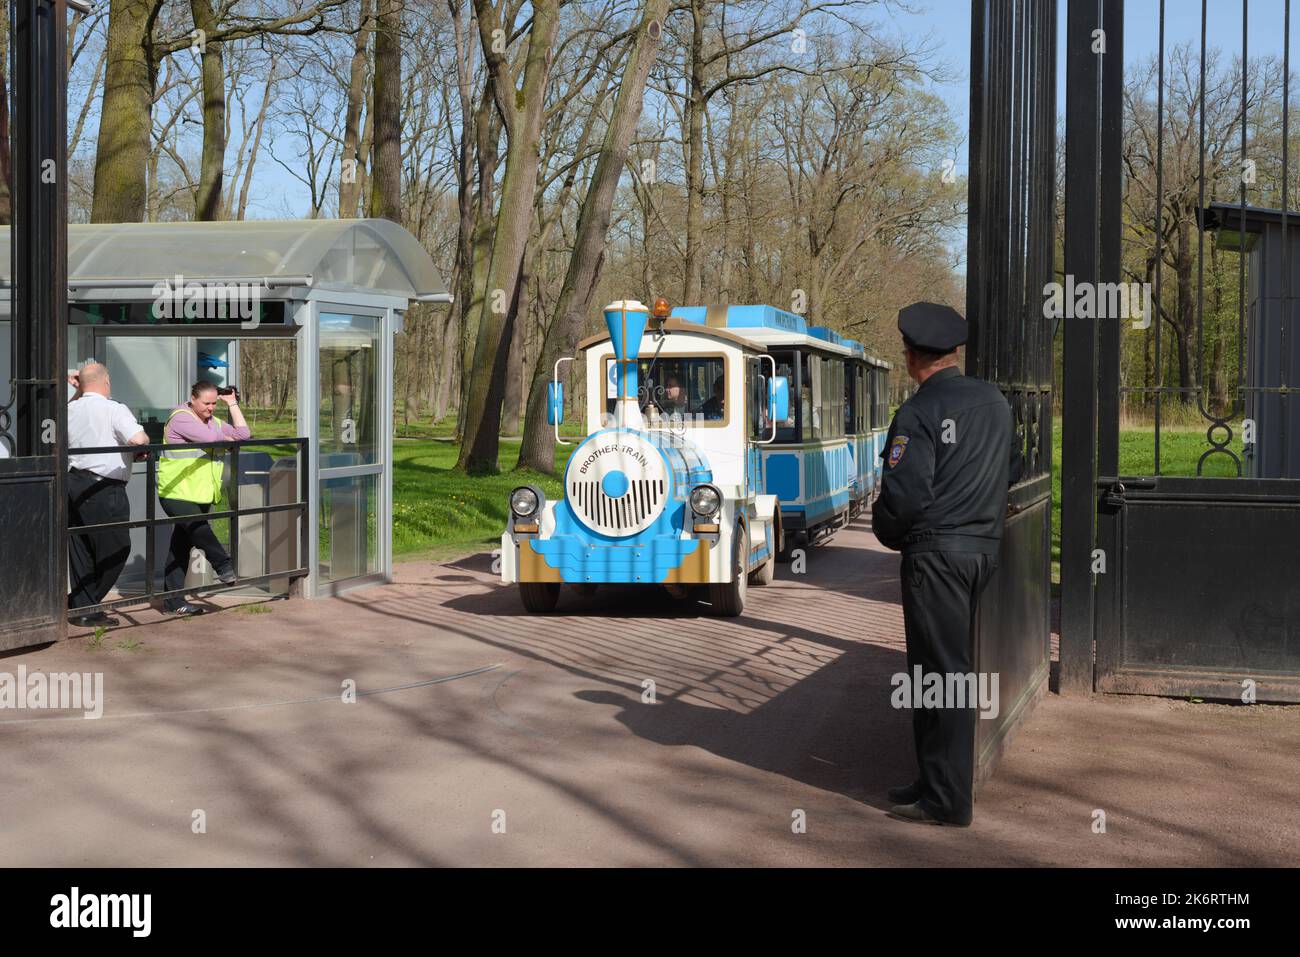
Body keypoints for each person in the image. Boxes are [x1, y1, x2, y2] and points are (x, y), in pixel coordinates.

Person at [872, 301, 1019, 827]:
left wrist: (884, 528)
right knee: (939, 672)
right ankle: (933, 779)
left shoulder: (917, 413)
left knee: (940, 675)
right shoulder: (994, 402)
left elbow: (904, 497)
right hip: (981, 550)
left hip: (936, 556)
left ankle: (947, 802)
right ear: (953, 352)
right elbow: (1013, 465)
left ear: (913, 357)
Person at [66, 363, 149, 628]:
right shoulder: (114, 408)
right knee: (118, 549)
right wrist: (142, 445)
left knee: (80, 548)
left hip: (73, 484)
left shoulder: (69, 408)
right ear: (107, 381)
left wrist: (77, 391)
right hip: (104, 488)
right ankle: (85, 606)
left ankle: (81, 606)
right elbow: (138, 439)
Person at [157, 380, 251, 616]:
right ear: (193, 399)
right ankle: (223, 564)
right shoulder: (181, 417)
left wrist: (232, 404)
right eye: (206, 403)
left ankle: (172, 601)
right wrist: (226, 440)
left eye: (213, 403)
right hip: (176, 491)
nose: (211, 408)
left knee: (180, 547)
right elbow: (212, 440)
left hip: (199, 493)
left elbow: (243, 434)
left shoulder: (213, 421)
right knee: (199, 528)